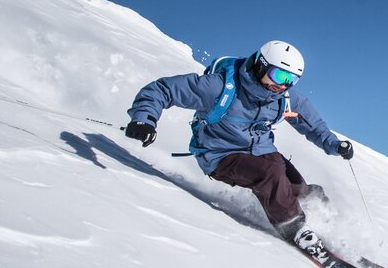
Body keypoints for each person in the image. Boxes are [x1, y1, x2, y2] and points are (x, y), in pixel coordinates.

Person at [123, 40, 352, 249]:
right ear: (261, 65)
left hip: (261, 151)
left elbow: (313, 126)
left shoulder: (285, 100)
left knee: (299, 187)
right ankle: (297, 229)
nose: (283, 85)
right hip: (220, 154)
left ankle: (331, 229)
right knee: (272, 175)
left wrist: (335, 145)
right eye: (279, 76)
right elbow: (163, 89)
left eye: (291, 80)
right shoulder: (219, 87)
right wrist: (144, 119)